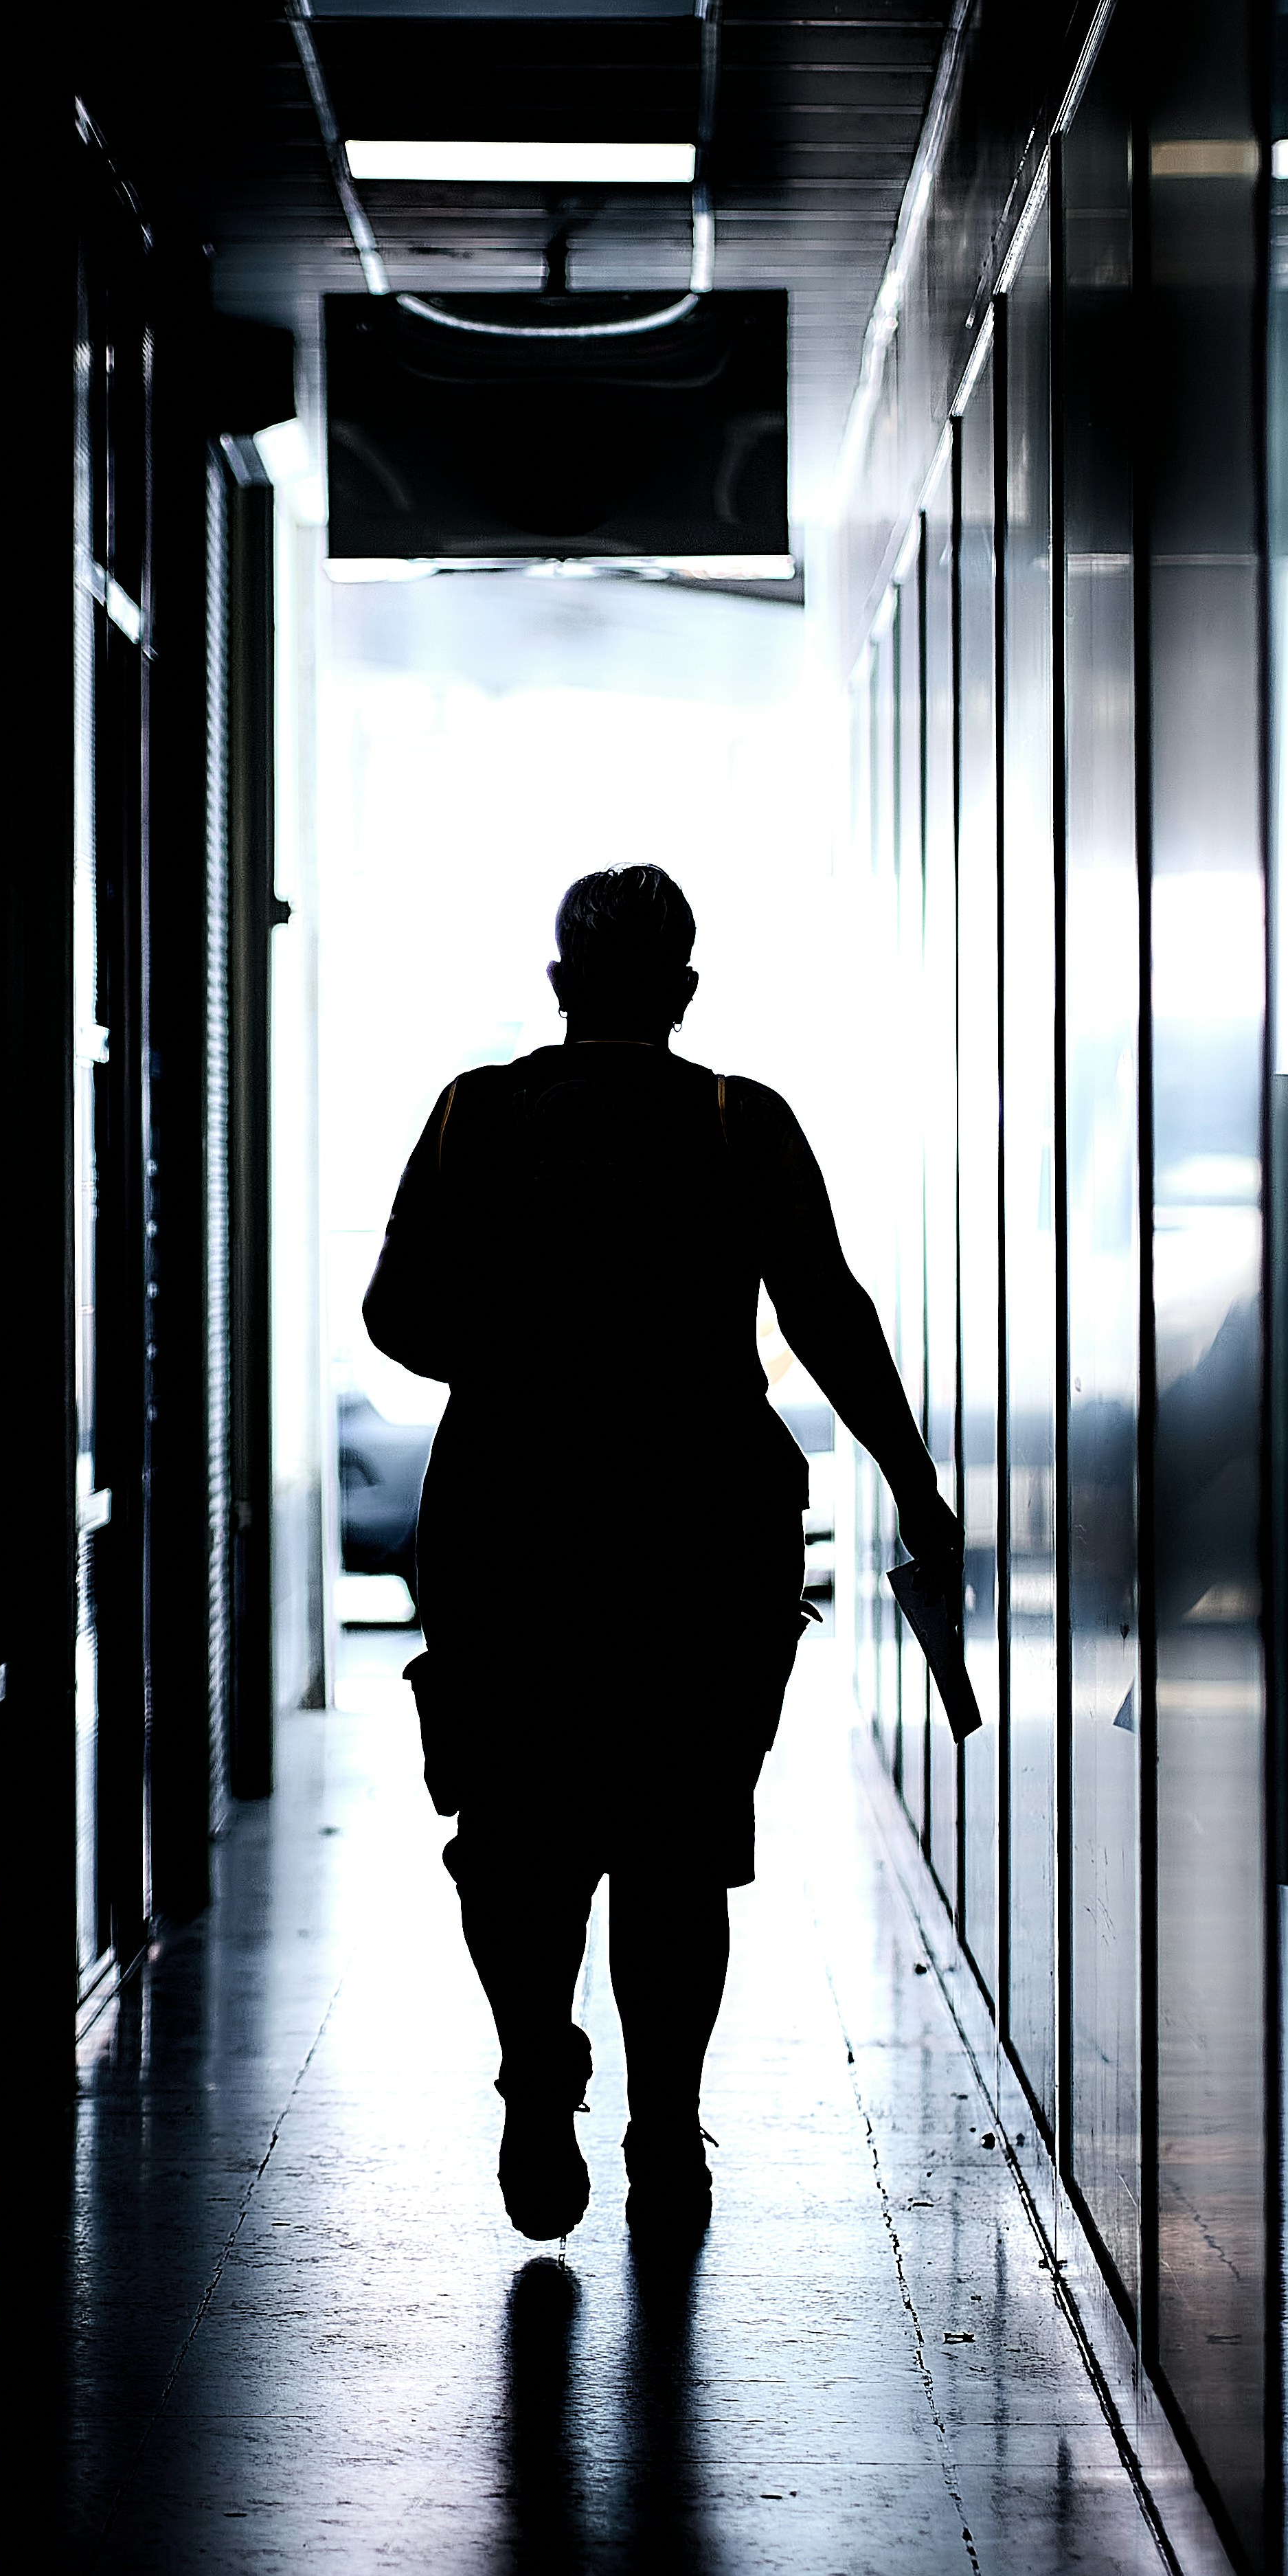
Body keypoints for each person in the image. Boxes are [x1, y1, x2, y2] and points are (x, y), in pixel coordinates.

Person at [362, 860, 957, 2241]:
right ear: (683, 992)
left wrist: (516, 1361)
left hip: (506, 1523)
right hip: (702, 1530)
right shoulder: (737, 1122)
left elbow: (397, 1316)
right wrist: (911, 1485)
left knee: (515, 1832)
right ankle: (663, 2132)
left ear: (560, 985)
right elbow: (826, 1314)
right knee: (676, 1846)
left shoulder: (473, 1116)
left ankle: (530, 2070)